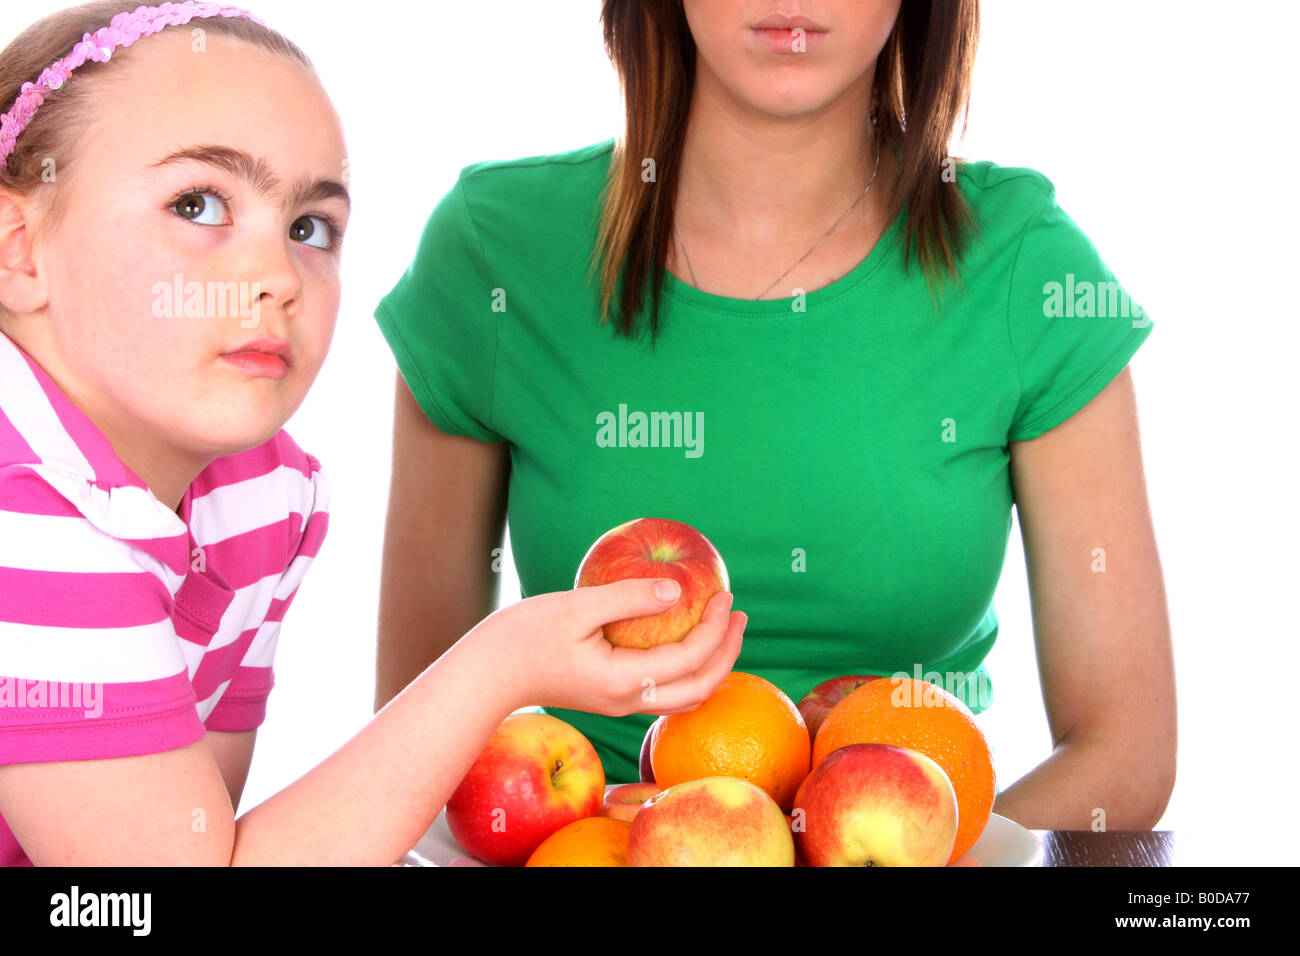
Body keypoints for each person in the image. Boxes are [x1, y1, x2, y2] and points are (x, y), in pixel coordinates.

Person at [372, 0, 1175, 829]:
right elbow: (405, 750)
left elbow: (1125, 756)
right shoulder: (496, 252)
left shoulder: (1028, 266)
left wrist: (935, 851)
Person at [0, 0, 745, 867]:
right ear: (19, 250)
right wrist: (498, 664)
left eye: (310, 227)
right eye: (198, 203)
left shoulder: (258, 492)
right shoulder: (25, 517)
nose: (277, 275)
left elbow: (209, 840)